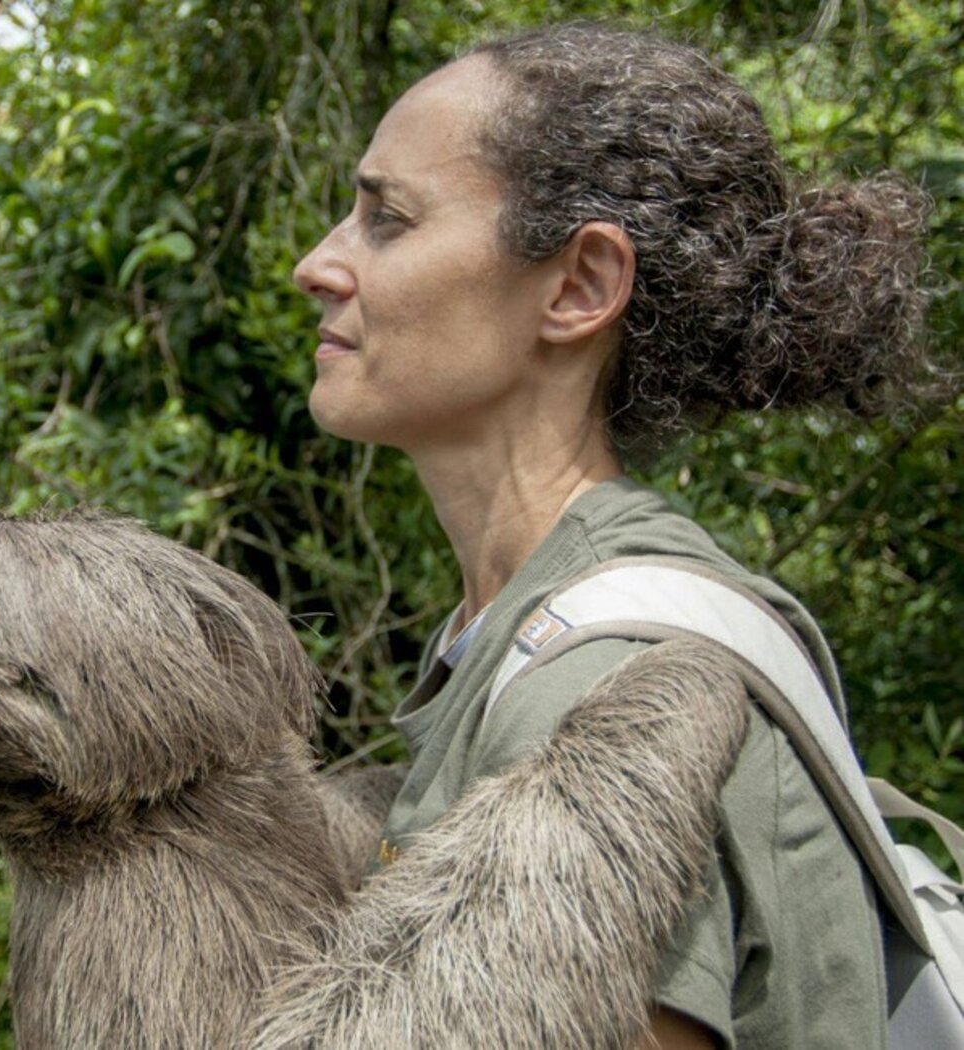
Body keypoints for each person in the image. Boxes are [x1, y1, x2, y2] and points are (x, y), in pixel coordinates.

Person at [291, 22, 931, 1050]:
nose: (315, 265)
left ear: (578, 285)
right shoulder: (510, 633)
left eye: (387, 220)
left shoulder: (603, 679)